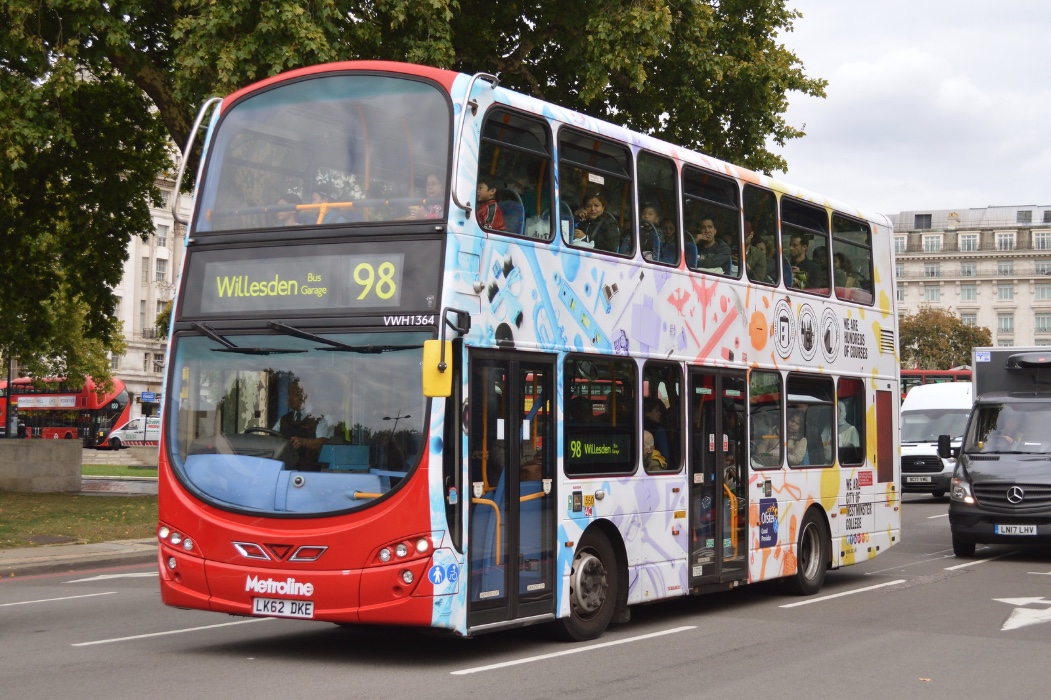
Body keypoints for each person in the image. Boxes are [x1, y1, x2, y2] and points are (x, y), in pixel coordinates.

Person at [272, 376, 336, 467]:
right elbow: (271, 438)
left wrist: (303, 442)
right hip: (285, 470)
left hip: (312, 473)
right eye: (289, 394)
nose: (290, 398)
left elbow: (323, 443)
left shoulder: (322, 419)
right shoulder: (283, 419)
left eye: (295, 394)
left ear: (306, 396)